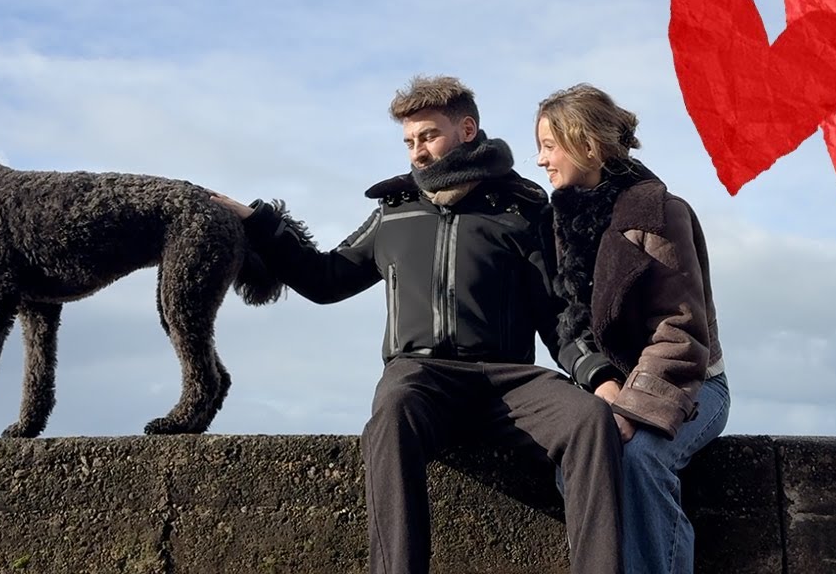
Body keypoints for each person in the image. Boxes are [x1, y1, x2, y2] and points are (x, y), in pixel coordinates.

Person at [211, 75, 623, 574]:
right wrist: (258, 222)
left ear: (467, 129)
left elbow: (556, 314)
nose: (418, 152)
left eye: (428, 136)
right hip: (422, 379)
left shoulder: (523, 207)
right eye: (409, 142)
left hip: (507, 381)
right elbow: (324, 279)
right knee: (391, 410)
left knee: (590, 422)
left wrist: (598, 376)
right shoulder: (394, 211)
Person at [534, 83, 730, 574]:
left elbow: (680, 332)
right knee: (582, 462)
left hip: (692, 384)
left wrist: (635, 408)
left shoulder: (658, 212)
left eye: (549, 145)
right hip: (615, 386)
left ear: (588, 145)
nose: (540, 160)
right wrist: (602, 383)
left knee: (641, 458)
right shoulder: (561, 220)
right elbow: (567, 322)